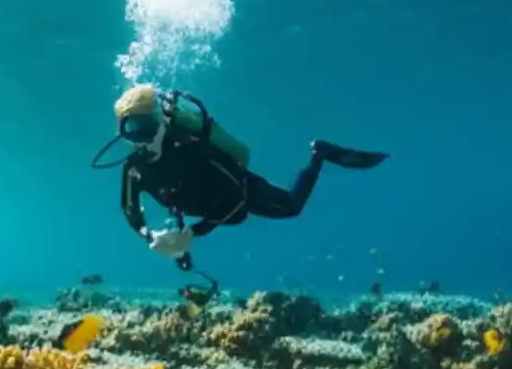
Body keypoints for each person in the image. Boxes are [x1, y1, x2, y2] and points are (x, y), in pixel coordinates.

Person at [111, 84, 387, 270]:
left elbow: (237, 197)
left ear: (162, 124)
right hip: (204, 206)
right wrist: (152, 238)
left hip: (239, 189)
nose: (141, 140)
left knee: (292, 207)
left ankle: (320, 154)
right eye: (131, 130)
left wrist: (193, 234)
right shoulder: (134, 168)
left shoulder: (194, 151)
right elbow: (130, 209)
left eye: (147, 128)